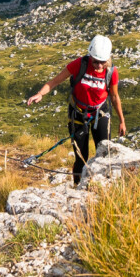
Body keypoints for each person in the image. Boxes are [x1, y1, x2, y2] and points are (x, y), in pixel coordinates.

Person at [25, 35, 126, 185]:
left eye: (102, 62)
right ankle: (77, 185)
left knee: (105, 153)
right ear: (90, 56)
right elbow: (54, 81)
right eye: (96, 61)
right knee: (81, 157)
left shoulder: (111, 71)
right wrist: (40, 94)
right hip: (78, 114)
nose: (99, 66)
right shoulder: (80, 64)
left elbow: (115, 96)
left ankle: (103, 185)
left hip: (101, 113)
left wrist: (122, 121)